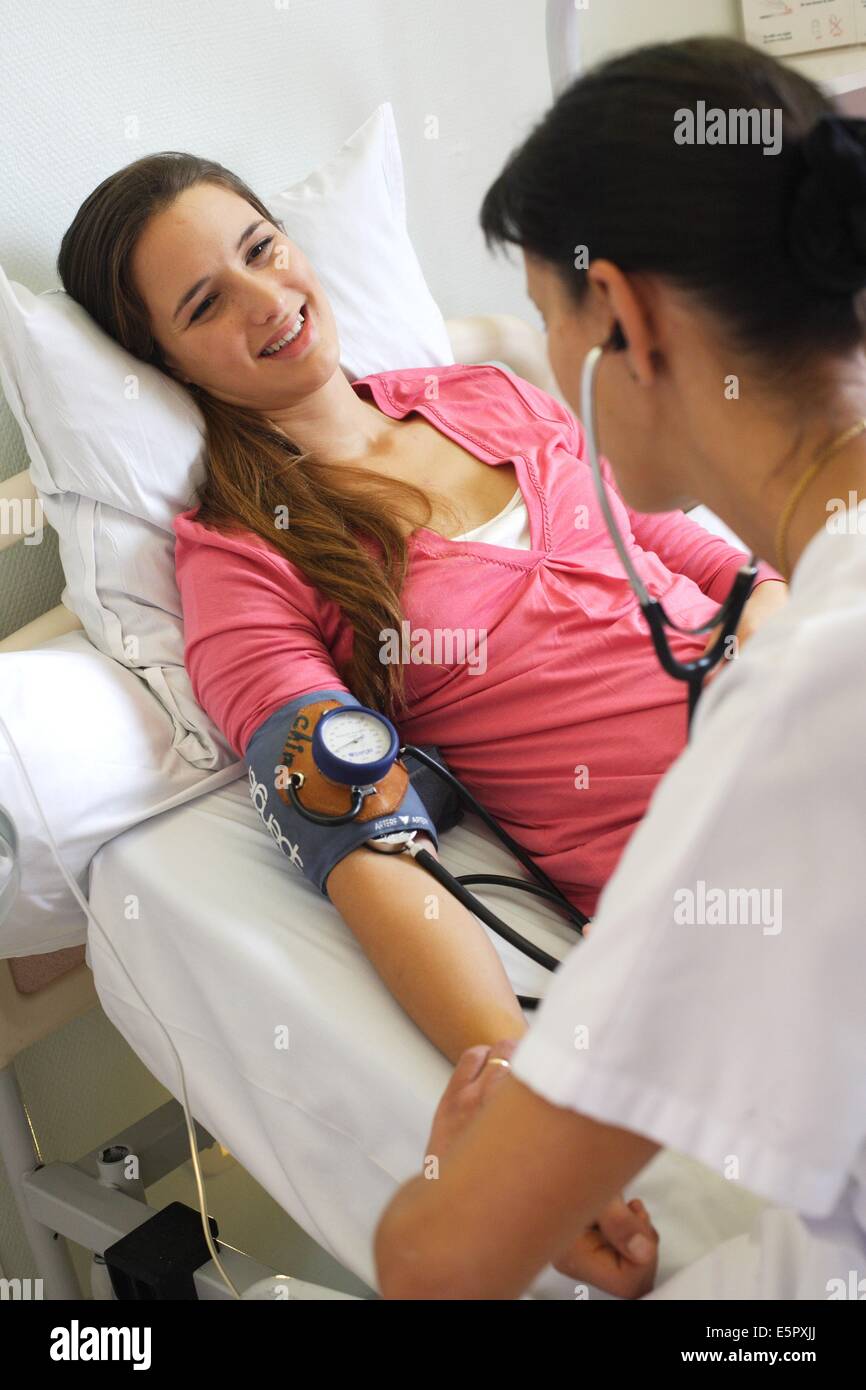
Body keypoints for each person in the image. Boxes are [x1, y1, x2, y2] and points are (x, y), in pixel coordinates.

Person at [56, 145, 784, 1083]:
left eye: (262, 249)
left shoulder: (486, 396)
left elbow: (687, 551)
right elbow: (351, 828)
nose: (267, 300)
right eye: (205, 304)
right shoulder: (243, 557)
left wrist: (772, 644)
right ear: (163, 364)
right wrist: (510, 1082)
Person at [373, 35, 866, 1300]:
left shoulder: (806, 704)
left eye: (544, 317)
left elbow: (442, 1262)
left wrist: (465, 1158)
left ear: (624, 320)